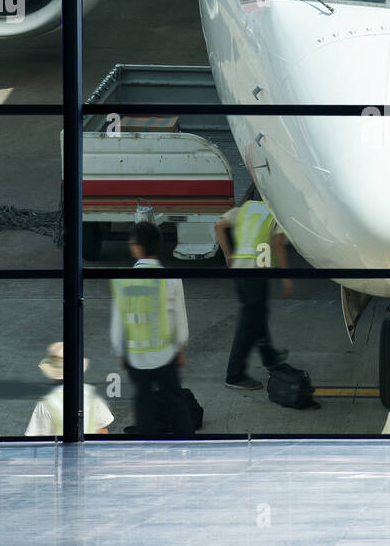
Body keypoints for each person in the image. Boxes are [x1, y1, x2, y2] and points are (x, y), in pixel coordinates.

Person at [109, 221, 195, 436]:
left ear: (137, 247)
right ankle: (187, 442)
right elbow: (179, 316)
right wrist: (180, 347)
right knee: (175, 400)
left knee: (143, 403)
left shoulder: (124, 281)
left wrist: (121, 351)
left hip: (136, 354)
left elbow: (119, 321)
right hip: (166, 353)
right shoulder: (171, 279)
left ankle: (145, 446)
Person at [214, 186, 293, 391]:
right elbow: (277, 245)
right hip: (255, 273)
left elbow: (219, 225)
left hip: (241, 272)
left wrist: (227, 254)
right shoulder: (274, 212)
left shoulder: (245, 209)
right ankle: (234, 375)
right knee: (248, 324)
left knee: (258, 315)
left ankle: (270, 357)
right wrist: (286, 278)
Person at [25, 342, 114, 437]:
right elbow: (102, 431)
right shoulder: (92, 394)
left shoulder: (46, 402)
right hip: (90, 450)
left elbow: (37, 439)